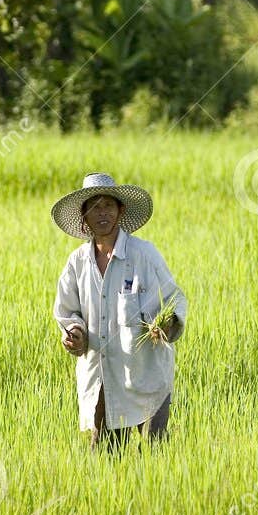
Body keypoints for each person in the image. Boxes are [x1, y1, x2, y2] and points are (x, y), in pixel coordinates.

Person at [51, 173, 187, 451]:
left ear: (120, 211)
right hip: (102, 376)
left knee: (156, 451)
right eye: (94, 207)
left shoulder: (144, 255)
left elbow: (175, 298)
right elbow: (67, 313)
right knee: (105, 454)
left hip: (145, 374)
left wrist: (168, 324)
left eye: (108, 206)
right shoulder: (77, 262)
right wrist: (74, 334)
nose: (102, 213)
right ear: (84, 217)